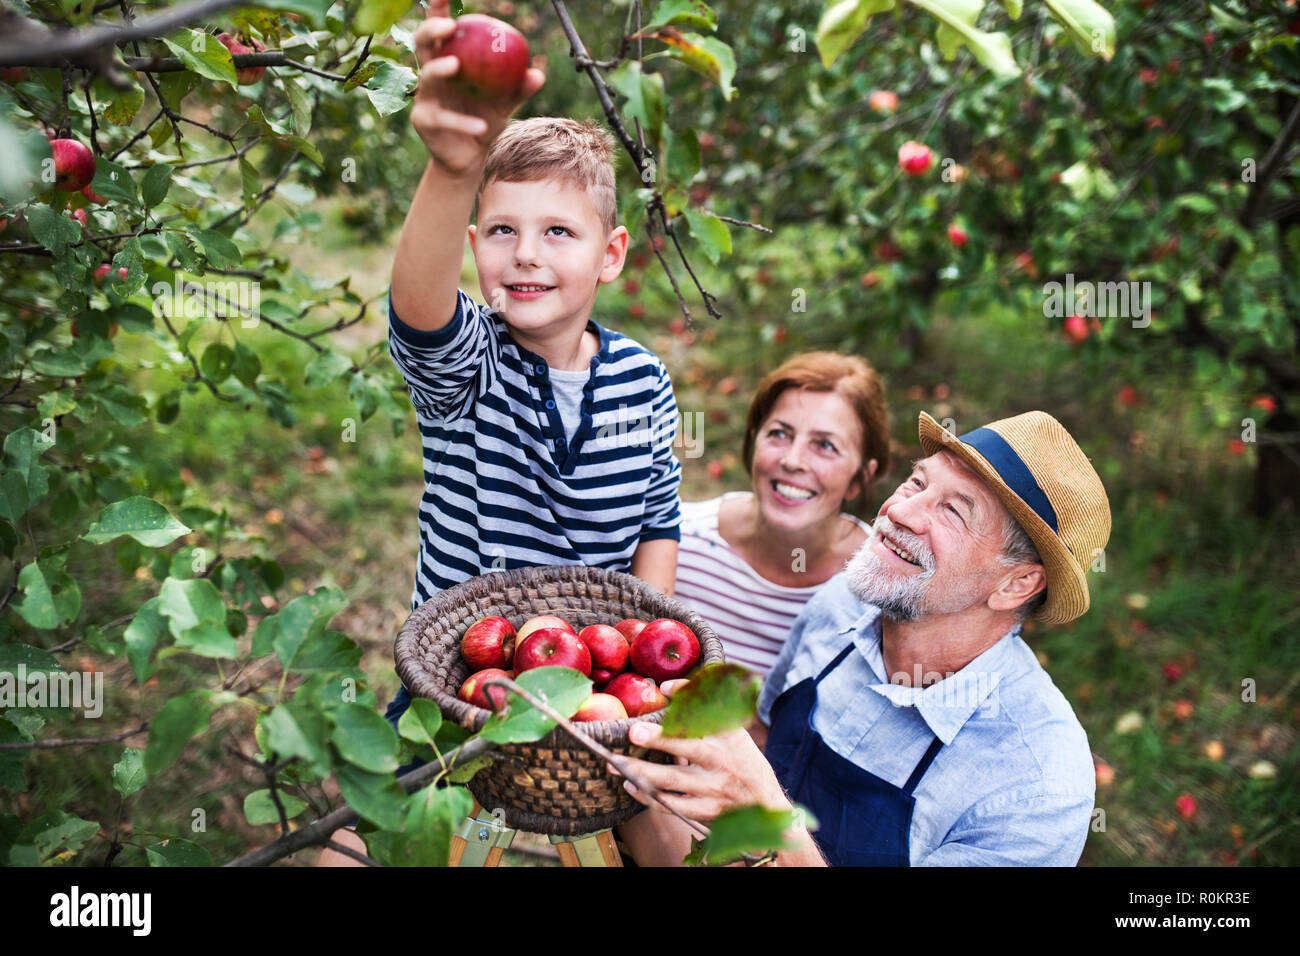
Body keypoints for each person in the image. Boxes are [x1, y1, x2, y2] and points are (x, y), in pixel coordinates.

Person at [319, 1, 682, 866]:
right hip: (455, 686)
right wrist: (454, 170)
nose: (527, 255)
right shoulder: (471, 365)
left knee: (666, 834)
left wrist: (649, 670)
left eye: (559, 232)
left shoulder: (642, 379)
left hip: (595, 684)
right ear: (476, 245)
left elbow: (657, 522)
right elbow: (418, 311)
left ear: (612, 253)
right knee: (356, 844)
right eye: (505, 232)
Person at [615, 410, 1111, 866]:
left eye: (954, 512)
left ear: (1015, 584)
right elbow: (764, 737)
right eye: (916, 482)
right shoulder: (841, 604)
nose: (902, 512)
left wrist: (765, 808)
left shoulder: (1037, 785)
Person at [673, 352, 890, 682]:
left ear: (861, 476)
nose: (792, 460)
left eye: (825, 445)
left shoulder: (880, 588)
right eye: (779, 433)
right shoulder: (678, 540)